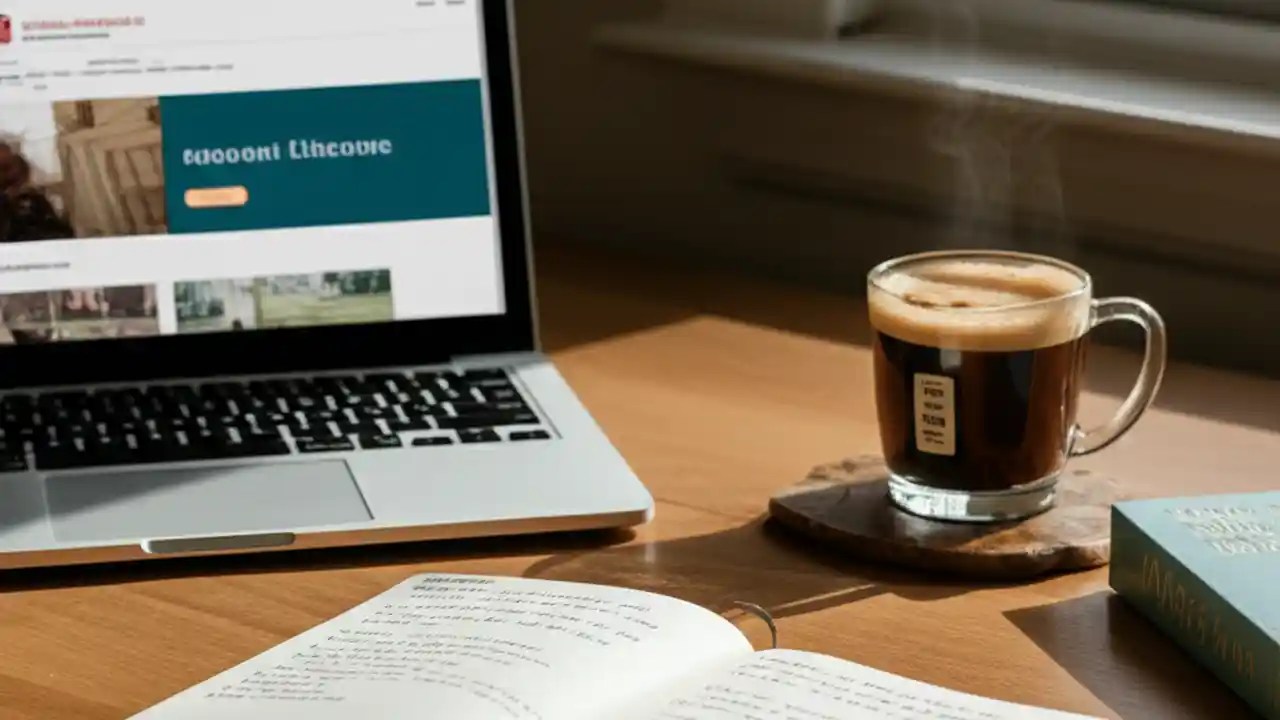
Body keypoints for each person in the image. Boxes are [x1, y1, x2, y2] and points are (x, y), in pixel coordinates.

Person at [0, 142, 75, 244]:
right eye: (3, 168)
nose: (10, 174)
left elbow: (59, 233)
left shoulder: (34, 200)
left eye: (8, 167)